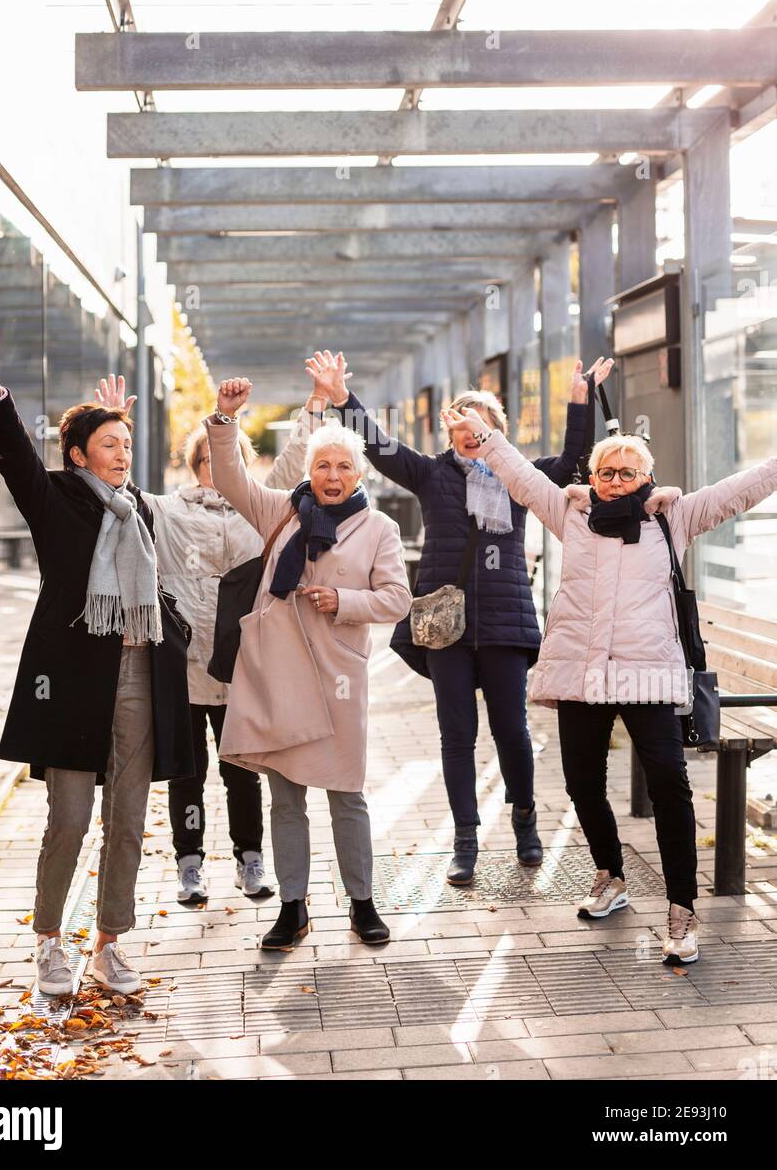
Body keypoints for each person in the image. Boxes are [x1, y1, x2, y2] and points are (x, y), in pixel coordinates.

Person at [440, 407, 777, 964]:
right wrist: (487, 437)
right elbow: (522, 478)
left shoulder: (676, 517)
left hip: (648, 675)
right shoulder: (569, 512)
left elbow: (737, 491)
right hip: (581, 673)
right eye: (606, 471)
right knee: (581, 783)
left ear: (648, 476)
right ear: (592, 477)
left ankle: (681, 909)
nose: (616, 480)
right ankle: (611, 876)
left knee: (670, 784)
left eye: (627, 471)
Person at [0, 317, 193, 997]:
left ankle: (111, 943)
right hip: (75, 681)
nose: (121, 453)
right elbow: (17, 457)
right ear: (77, 455)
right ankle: (49, 941)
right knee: (71, 818)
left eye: (127, 443)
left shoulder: (134, 508)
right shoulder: (54, 503)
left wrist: (109, 414)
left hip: (140, 670)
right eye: (108, 444)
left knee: (131, 821)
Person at [311, 348, 612, 884]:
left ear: (494, 431)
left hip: (505, 622)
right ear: (450, 433)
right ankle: (465, 839)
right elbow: (381, 448)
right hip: (444, 625)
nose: (471, 434)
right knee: (457, 735)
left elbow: (572, 463)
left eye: (482, 425)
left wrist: (578, 401)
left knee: (512, 731)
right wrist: (341, 398)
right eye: (461, 424)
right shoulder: (430, 475)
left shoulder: (521, 478)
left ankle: (524, 821)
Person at [93, 373, 330, 906]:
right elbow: (116, 491)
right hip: (181, 665)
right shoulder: (167, 511)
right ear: (195, 465)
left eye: (228, 463)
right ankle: (190, 863)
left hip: (240, 665)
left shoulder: (257, 511)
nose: (217, 473)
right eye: (208, 463)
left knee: (242, 768)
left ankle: (250, 858)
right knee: (188, 772)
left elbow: (292, 465)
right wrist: (109, 424)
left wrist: (315, 402)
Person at [205, 375, 412, 951]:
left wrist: (344, 602)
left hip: (341, 677)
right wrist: (225, 420)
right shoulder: (279, 510)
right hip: (278, 674)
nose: (332, 476)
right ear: (309, 472)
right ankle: (292, 908)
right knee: (286, 796)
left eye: (344, 466)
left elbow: (397, 599)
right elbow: (229, 477)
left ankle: (362, 902)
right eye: (323, 465)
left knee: (347, 793)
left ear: (359, 475)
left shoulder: (379, 529)